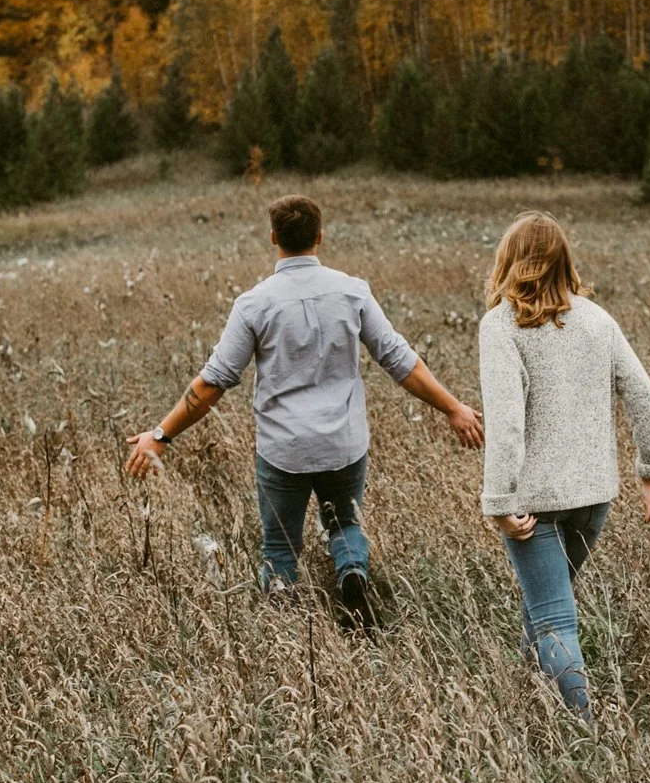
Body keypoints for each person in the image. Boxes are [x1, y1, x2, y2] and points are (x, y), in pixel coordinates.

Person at [126, 193, 483, 628]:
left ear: (274, 238)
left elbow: (212, 382)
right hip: (344, 445)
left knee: (280, 547)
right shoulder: (352, 291)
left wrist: (160, 436)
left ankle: (285, 628)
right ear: (319, 236)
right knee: (345, 523)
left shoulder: (254, 304)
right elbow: (398, 359)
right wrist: (453, 408)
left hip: (283, 452)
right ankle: (351, 573)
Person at [477, 211, 650, 715]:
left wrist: (499, 501)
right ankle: (528, 702)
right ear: (564, 260)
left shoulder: (501, 325)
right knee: (544, 603)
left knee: (553, 621)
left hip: (533, 504)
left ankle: (585, 730)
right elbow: (645, 396)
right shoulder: (596, 318)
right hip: (594, 498)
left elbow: (507, 424)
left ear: (509, 261)